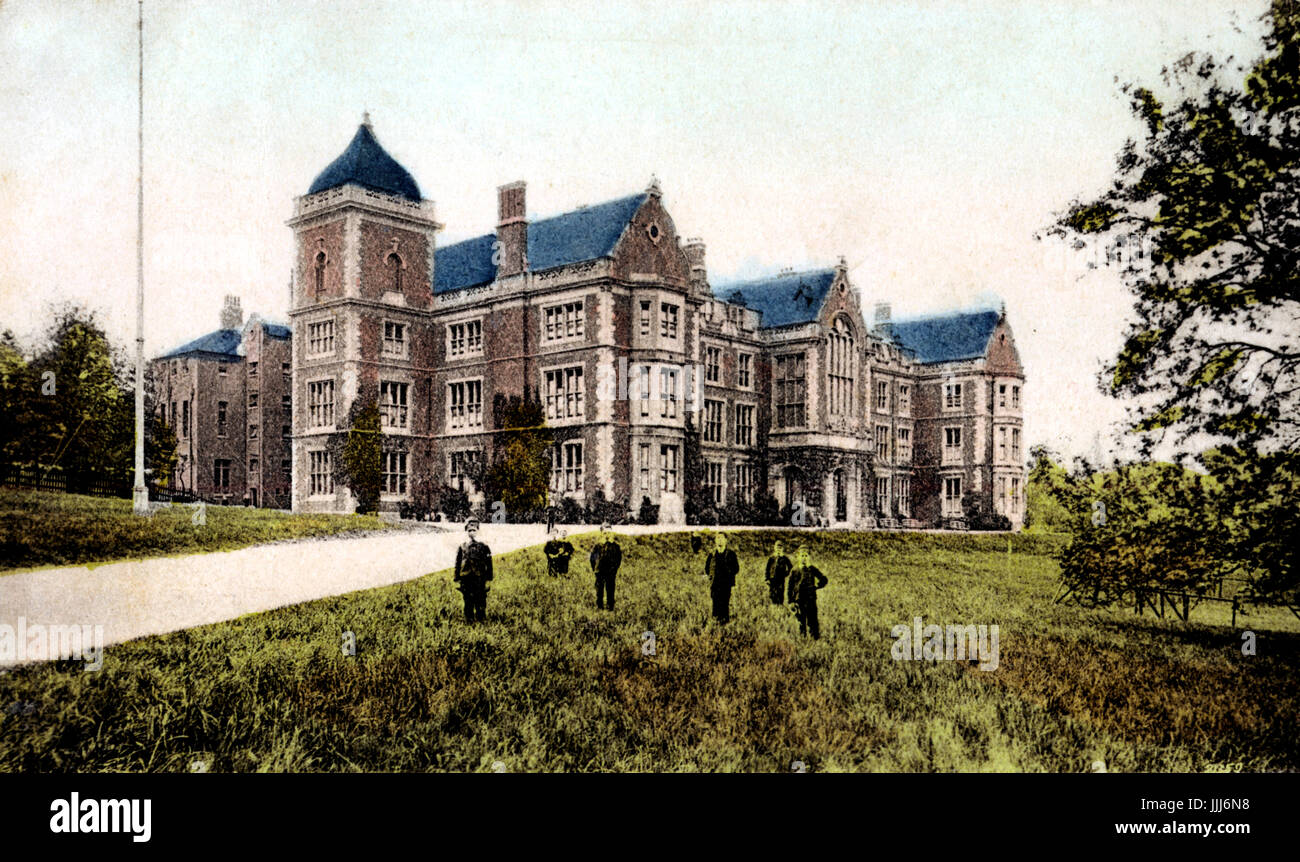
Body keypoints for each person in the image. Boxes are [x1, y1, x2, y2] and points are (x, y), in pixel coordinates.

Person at [453, 520, 493, 623]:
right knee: (467, 598)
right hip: (466, 576)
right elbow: (458, 563)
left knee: (480, 597)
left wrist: (489, 577)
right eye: (469, 530)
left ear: (478, 531)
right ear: (466, 532)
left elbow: (489, 562)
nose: (471, 532)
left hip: (479, 576)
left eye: (474, 530)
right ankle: (469, 619)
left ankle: (481, 618)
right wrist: (457, 577)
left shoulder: (483, 546)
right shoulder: (462, 546)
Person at [787, 545, 828, 639]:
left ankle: (815, 639)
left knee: (813, 621)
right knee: (801, 621)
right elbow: (790, 588)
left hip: (811, 599)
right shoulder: (795, 570)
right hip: (799, 600)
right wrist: (791, 601)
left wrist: (817, 586)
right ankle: (803, 639)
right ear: (798, 557)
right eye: (802, 556)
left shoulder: (812, 569)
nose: (804, 558)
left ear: (809, 557)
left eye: (806, 556)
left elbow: (824, 579)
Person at [704, 532, 740, 624]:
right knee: (715, 602)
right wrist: (712, 576)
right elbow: (707, 568)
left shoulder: (731, 554)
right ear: (715, 541)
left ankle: (725, 623)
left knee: (725, 603)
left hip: (726, 584)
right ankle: (716, 622)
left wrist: (728, 574)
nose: (720, 540)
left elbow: (736, 568)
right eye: (718, 538)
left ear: (726, 541)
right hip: (715, 584)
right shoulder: (712, 555)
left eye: (722, 538)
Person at [589, 522, 622, 611]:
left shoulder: (615, 546)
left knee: (610, 589)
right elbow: (592, 558)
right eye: (605, 533)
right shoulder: (598, 546)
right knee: (599, 589)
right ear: (601, 534)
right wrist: (595, 569)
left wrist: (614, 569)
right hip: (599, 571)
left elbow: (618, 559)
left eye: (609, 533)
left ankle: (610, 606)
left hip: (611, 572)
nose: (607, 535)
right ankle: (599, 606)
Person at [764, 540, 793, 605]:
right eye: (777, 547)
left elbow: (790, 567)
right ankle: (773, 606)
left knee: (780, 593)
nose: (779, 549)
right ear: (775, 548)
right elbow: (767, 569)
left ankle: (780, 606)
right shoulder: (771, 558)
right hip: (772, 579)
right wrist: (766, 578)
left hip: (780, 579)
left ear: (782, 549)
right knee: (772, 593)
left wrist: (786, 573)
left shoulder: (784, 558)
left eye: (780, 548)